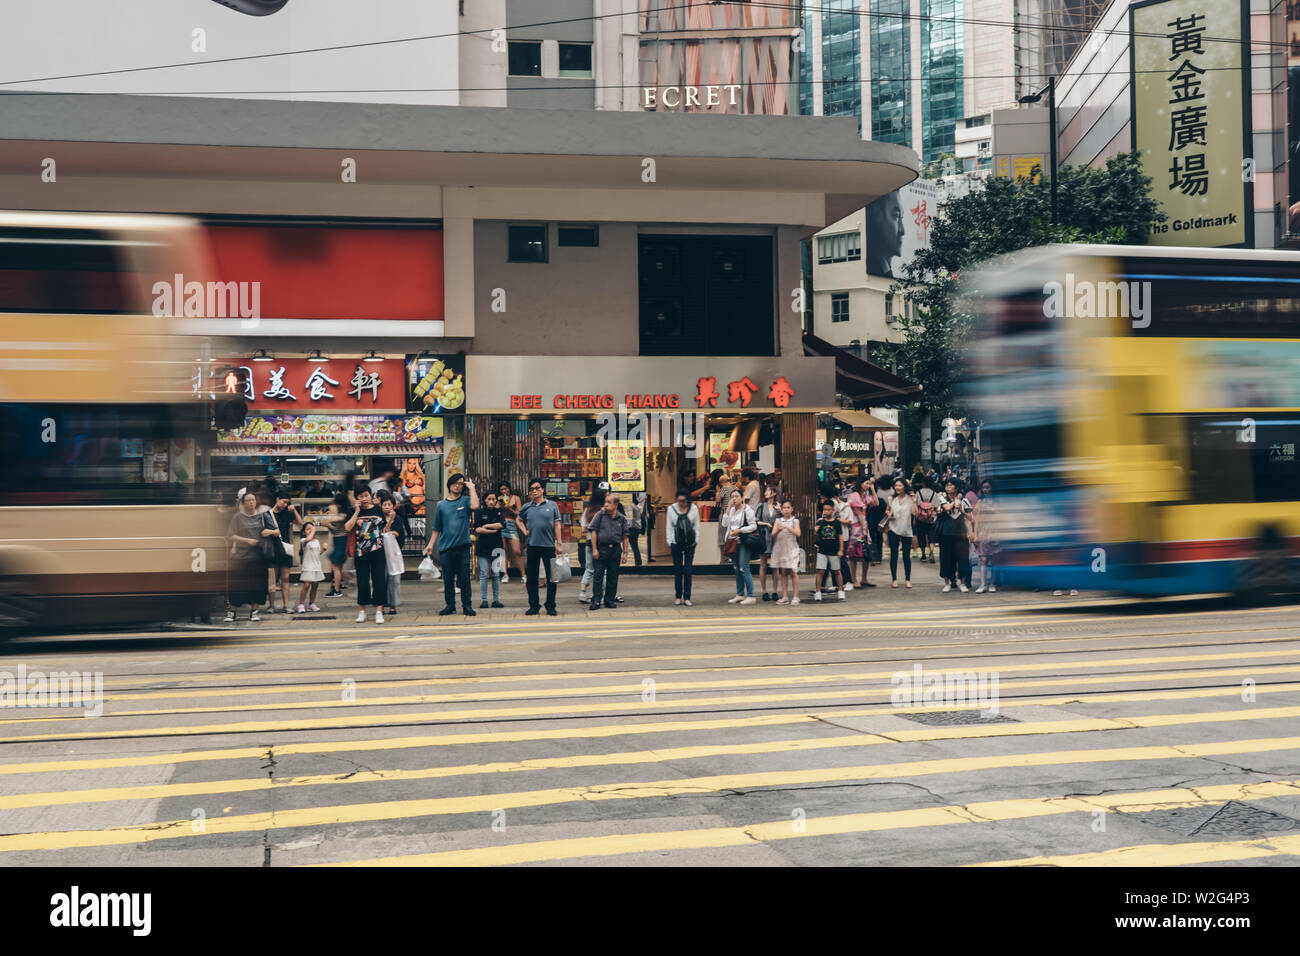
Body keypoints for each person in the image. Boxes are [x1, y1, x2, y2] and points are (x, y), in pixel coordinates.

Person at [423, 473, 479, 617]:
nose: (458, 485)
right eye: (455, 483)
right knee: (448, 579)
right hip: (446, 548)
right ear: (449, 485)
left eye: (461, 483)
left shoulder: (466, 501)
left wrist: (472, 488)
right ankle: (450, 605)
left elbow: (475, 505)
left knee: (465, 579)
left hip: (463, 547)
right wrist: (430, 545)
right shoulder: (441, 505)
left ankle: (467, 606)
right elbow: (437, 528)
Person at [225, 490, 275, 622]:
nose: (251, 502)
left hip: (259, 557)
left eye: (253, 500)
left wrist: (269, 532)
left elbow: (277, 531)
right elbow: (231, 535)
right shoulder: (237, 517)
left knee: (257, 586)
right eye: (248, 500)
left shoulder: (263, 516)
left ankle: (254, 611)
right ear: (243, 503)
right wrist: (247, 541)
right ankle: (232, 612)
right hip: (241, 557)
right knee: (237, 586)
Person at [518, 478, 562, 616]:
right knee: (532, 578)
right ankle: (534, 606)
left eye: (537, 488)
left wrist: (559, 543)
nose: (534, 491)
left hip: (549, 547)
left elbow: (557, 524)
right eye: (532, 489)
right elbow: (518, 519)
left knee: (552, 577)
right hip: (532, 546)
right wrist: (524, 531)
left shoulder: (552, 505)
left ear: (543, 489)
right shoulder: (527, 506)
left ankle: (550, 606)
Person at [345, 487, 388, 623]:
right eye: (361, 496)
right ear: (357, 498)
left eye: (366, 495)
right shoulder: (353, 511)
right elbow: (347, 527)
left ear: (370, 496)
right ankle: (362, 610)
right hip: (360, 551)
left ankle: (379, 611)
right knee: (362, 580)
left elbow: (385, 528)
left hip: (378, 549)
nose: (364, 498)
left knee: (379, 579)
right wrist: (357, 511)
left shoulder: (378, 509)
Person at [586, 492, 629, 610]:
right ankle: (596, 601)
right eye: (605, 502)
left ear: (616, 504)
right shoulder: (600, 515)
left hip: (615, 549)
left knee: (613, 577)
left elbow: (625, 536)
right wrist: (594, 549)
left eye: (609, 502)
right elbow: (593, 531)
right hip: (601, 549)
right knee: (598, 576)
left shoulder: (622, 518)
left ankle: (609, 600)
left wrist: (625, 553)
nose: (605, 504)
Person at [936, 478, 974, 593]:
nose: (948, 487)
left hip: (960, 534)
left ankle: (962, 583)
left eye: (951, 485)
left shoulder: (965, 500)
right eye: (947, 485)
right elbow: (946, 508)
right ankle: (947, 583)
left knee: (963, 559)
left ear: (957, 487)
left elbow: (970, 517)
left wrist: (962, 510)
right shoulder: (943, 498)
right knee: (946, 558)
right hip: (946, 533)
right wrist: (955, 501)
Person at [266, 492, 302, 613]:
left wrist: (294, 511)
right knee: (272, 579)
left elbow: (300, 523)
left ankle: (286, 605)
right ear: (277, 499)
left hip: (285, 549)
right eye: (284, 501)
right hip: (272, 549)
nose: (285, 504)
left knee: (285, 578)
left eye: (287, 502)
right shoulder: (267, 514)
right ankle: (271, 606)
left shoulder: (287, 513)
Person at [721, 489, 758, 605]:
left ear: (742, 498)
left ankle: (751, 595)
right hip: (732, 542)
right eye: (732, 496)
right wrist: (727, 508)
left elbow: (753, 526)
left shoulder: (747, 510)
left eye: (737, 496)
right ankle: (740, 594)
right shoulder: (731, 510)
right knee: (737, 569)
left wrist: (739, 530)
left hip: (743, 541)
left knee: (744, 568)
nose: (734, 498)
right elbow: (724, 524)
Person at [666, 488, 699, 606]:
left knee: (688, 570)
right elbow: (669, 526)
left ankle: (687, 597)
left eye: (684, 501)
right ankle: (678, 596)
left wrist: (696, 540)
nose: (681, 503)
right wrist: (670, 541)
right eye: (679, 500)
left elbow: (696, 525)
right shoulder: (671, 509)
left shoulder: (694, 509)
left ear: (688, 500)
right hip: (676, 543)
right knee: (678, 570)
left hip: (690, 543)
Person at [474, 490, 506, 608]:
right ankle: (484, 600)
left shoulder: (499, 511)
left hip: (497, 547)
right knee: (484, 574)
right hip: (483, 547)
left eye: (494, 499)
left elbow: (502, 524)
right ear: (485, 500)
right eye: (489, 499)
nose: (492, 501)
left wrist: (487, 526)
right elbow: (477, 529)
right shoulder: (479, 512)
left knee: (496, 574)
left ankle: (496, 600)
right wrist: (493, 530)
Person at [578, 484, 609, 603]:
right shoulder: (603, 511)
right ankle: (603, 595)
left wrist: (590, 530)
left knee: (589, 569)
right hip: (602, 543)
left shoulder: (587, 510)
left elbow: (583, 529)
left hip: (589, 542)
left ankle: (582, 592)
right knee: (603, 570)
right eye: (606, 496)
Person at [884, 477, 917, 589]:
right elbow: (887, 510)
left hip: (906, 530)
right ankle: (894, 579)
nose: (897, 487)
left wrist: (913, 500)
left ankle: (908, 579)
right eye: (896, 485)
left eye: (900, 485)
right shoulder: (891, 498)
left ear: (904, 486)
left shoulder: (910, 498)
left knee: (906, 556)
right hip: (893, 529)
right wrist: (888, 514)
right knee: (894, 555)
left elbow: (915, 513)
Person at [379, 493, 409, 617]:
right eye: (384, 504)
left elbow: (396, 533)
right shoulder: (379, 519)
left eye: (389, 504)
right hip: (380, 553)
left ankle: (393, 605)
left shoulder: (398, 518)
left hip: (393, 553)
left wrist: (391, 521)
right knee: (382, 579)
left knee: (394, 579)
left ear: (393, 506)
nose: (387, 507)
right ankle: (382, 604)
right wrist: (388, 523)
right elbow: (382, 532)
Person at [769, 500, 801, 606]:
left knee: (793, 572)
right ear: (781, 510)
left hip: (792, 549)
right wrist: (778, 529)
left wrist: (787, 527)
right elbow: (773, 534)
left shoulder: (795, 521)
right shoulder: (778, 520)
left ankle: (796, 596)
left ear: (792, 509)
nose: (786, 510)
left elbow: (798, 533)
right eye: (784, 508)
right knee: (783, 573)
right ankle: (785, 596)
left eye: (788, 507)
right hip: (780, 548)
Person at [846, 479, 877, 590]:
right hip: (856, 526)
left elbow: (876, 503)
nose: (868, 485)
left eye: (869, 484)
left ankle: (864, 578)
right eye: (866, 483)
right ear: (860, 483)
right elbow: (858, 513)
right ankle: (854, 579)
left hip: (863, 525)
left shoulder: (864, 496)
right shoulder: (854, 495)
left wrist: (873, 489)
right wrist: (864, 529)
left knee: (865, 552)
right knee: (854, 554)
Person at [813, 499, 846, 601]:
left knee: (837, 571)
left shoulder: (836, 523)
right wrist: (819, 524)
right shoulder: (821, 521)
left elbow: (840, 537)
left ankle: (840, 590)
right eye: (824, 510)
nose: (826, 512)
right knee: (820, 571)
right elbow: (816, 532)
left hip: (834, 550)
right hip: (822, 550)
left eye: (828, 510)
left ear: (833, 510)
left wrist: (841, 550)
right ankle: (818, 591)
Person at [971, 479, 999, 593]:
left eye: (988, 487)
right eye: (984, 487)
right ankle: (983, 584)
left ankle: (992, 583)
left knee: (993, 559)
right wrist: (976, 534)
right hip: (983, 533)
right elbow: (976, 520)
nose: (986, 489)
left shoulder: (997, 502)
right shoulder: (979, 502)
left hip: (994, 533)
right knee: (983, 559)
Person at [324, 491, 354, 597]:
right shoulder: (344, 514)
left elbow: (333, 524)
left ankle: (336, 590)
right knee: (338, 566)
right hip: (341, 541)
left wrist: (327, 523)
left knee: (335, 566)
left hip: (340, 540)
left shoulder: (341, 516)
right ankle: (338, 584)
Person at [755, 484, 780, 601]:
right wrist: (766, 524)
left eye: (768, 490)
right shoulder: (761, 506)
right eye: (765, 491)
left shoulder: (777, 507)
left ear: (774, 493)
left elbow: (782, 520)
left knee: (775, 565)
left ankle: (775, 591)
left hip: (775, 537)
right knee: (763, 564)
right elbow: (756, 521)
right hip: (764, 536)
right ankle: (764, 591)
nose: (766, 492)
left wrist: (780, 511)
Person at [497, 481, 525, 585]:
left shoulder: (515, 498)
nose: (504, 491)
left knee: (517, 551)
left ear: (509, 488)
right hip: (501, 524)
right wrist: (500, 505)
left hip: (512, 524)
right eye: (502, 489)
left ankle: (523, 574)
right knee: (503, 552)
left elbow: (520, 512)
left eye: (505, 489)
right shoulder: (499, 498)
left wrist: (508, 508)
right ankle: (505, 574)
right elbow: (495, 511)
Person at [295, 521, 324, 613]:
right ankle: (301, 604)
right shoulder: (303, 541)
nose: (311, 531)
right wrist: (313, 531)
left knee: (315, 586)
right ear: (304, 532)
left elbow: (317, 554)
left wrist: (323, 550)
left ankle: (311, 603)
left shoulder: (317, 541)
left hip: (317, 566)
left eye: (311, 528)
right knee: (306, 585)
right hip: (308, 566)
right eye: (308, 529)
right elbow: (309, 539)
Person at [914, 475, 938, 563]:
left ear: (923, 483)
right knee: (931, 537)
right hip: (931, 519)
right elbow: (936, 506)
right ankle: (931, 552)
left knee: (921, 536)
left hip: (920, 519)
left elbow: (916, 506)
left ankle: (923, 555)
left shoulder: (918, 493)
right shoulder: (934, 493)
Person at [625, 492, 643, 567]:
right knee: (635, 546)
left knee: (634, 546)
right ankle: (638, 562)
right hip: (636, 528)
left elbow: (630, 519)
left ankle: (638, 562)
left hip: (632, 528)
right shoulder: (636, 506)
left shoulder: (631, 506)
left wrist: (626, 527)